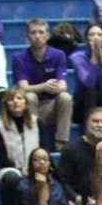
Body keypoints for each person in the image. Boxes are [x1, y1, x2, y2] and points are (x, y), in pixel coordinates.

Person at [8, 18, 73, 148]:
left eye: (41, 32)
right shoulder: (19, 57)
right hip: (30, 108)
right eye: (33, 32)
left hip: (52, 107)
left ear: (47, 36)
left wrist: (53, 87)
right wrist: (44, 86)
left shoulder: (58, 55)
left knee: (66, 97)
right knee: (30, 97)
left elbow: (63, 86)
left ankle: (61, 143)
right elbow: (23, 88)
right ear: (27, 37)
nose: (37, 36)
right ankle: (35, 142)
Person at [0, 87, 40, 205]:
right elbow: (2, 157)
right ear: (6, 104)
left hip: (35, 166)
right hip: (10, 168)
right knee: (12, 178)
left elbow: (43, 149)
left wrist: (32, 167)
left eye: (19, 98)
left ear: (25, 103)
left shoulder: (36, 122)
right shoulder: (0, 126)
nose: (15, 102)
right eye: (11, 99)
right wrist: (19, 169)